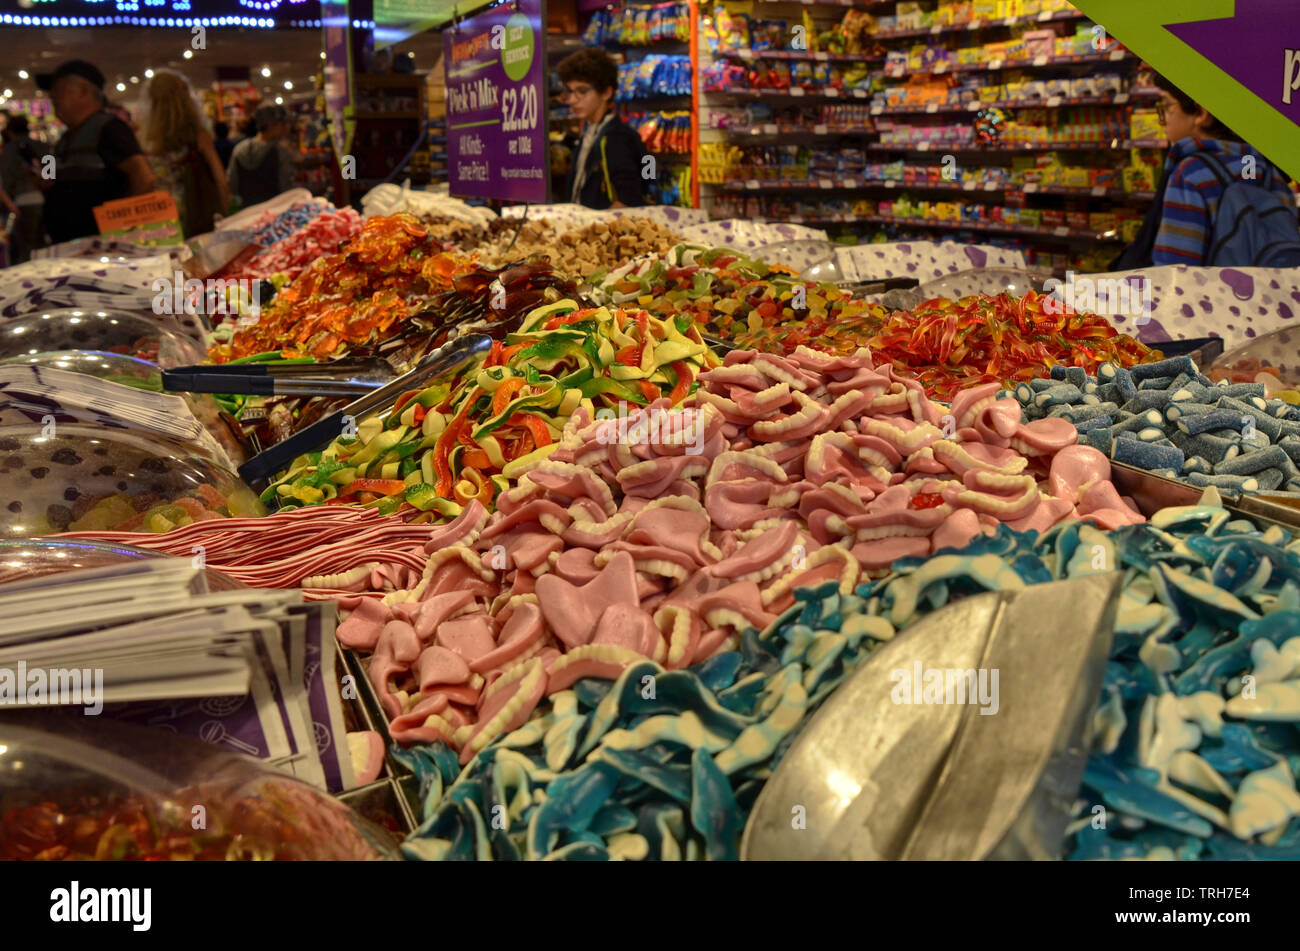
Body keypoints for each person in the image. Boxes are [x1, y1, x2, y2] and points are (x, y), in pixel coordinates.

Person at [1114, 72, 1300, 269]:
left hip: (1215, 297)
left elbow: (1176, 271)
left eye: (1167, 106)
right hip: (1270, 294)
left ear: (1200, 113)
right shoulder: (1264, 168)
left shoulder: (1191, 174)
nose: (1162, 120)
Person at [35, 59, 156, 244]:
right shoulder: (65, 138)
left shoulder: (109, 128)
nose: (52, 96)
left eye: (58, 89)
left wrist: (119, 229)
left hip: (100, 250)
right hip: (71, 248)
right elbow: (53, 179)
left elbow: (144, 177)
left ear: (83, 91)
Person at [556, 48, 649, 209]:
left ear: (606, 92)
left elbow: (645, 175)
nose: (572, 100)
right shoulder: (591, 132)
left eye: (582, 91)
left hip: (603, 230)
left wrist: (627, 203)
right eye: (570, 91)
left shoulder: (617, 137)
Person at [142, 70, 229, 238]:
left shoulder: (146, 139)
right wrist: (223, 212)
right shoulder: (197, 134)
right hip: (194, 213)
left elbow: (145, 181)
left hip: (159, 217)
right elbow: (221, 179)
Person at [226, 104, 297, 209]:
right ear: (271, 126)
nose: (286, 127)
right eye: (282, 124)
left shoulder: (239, 149)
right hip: (274, 212)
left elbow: (232, 184)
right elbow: (286, 188)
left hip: (246, 211)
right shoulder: (280, 152)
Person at [0, 114, 47, 262]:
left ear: (10, 131)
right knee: (42, 243)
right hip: (43, 199)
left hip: (18, 203)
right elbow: (51, 167)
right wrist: (46, 180)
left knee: (23, 248)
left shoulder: (7, 150)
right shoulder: (40, 145)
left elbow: (6, 179)